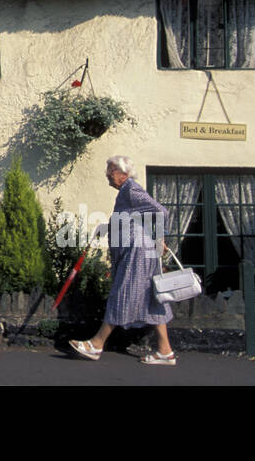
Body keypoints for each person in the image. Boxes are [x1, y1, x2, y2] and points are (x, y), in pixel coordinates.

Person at [69, 155, 177, 365]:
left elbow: (161, 211)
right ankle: (165, 351)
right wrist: (107, 228)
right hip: (141, 251)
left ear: (122, 173)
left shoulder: (131, 189)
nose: (107, 174)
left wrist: (161, 237)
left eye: (110, 170)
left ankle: (96, 344)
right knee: (154, 300)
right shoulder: (126, 192)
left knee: (121, 293)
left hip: (137, 252)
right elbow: (129, 221)